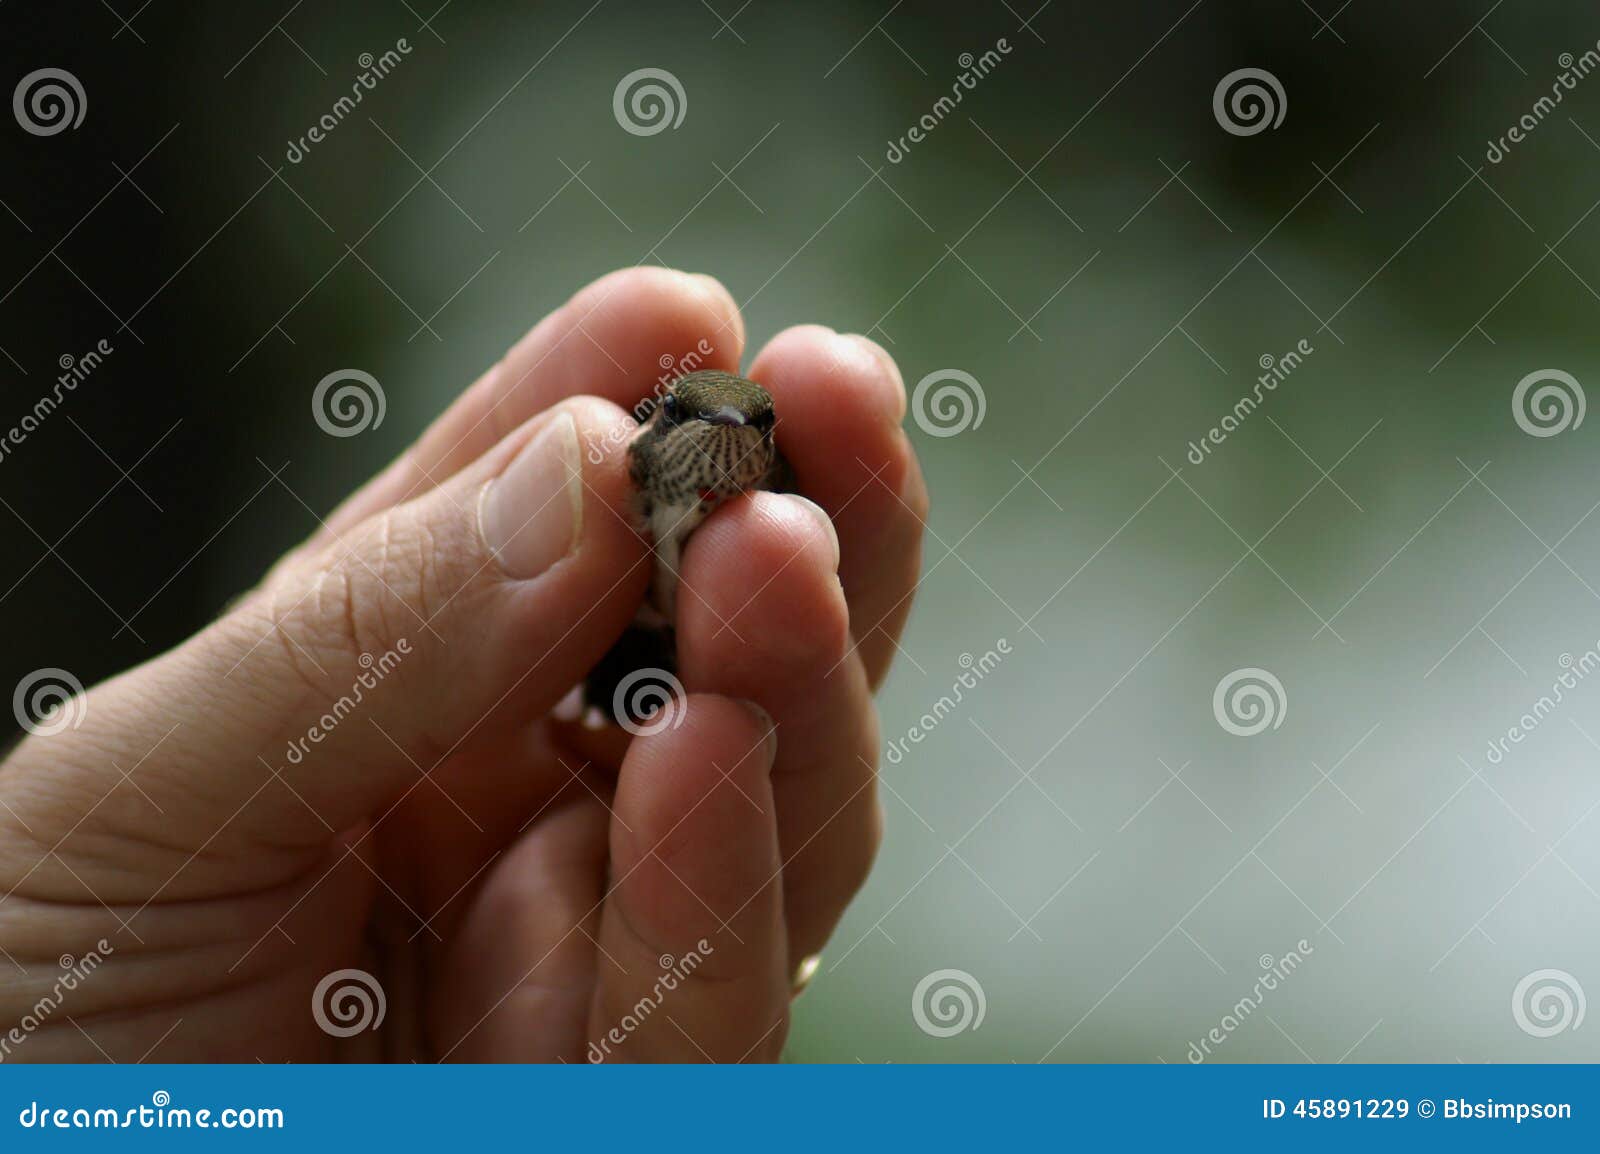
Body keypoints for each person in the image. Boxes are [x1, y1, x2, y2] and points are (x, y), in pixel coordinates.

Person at [0, 268, 928, 1062]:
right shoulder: (625, 468)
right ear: (656, 425)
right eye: (695, 415)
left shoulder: (755, 507)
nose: (725, 431)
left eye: (750, 428)